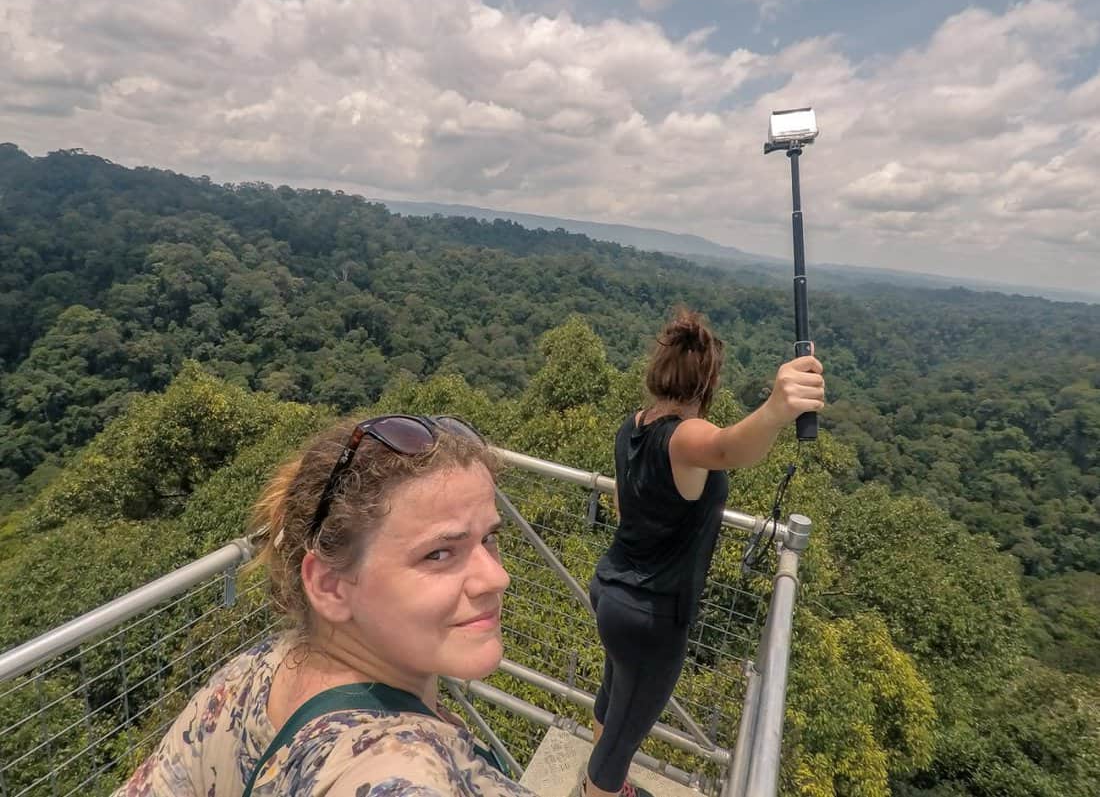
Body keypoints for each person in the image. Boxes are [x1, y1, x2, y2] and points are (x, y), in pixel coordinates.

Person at [114, 414, 537, 797]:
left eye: (489, 539)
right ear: (331, 587)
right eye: (439, 554)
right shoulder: (399, 774)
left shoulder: (250, 676)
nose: (497, 578)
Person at [582, 310, 826, 797]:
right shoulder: (684, 436)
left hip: (612, 591)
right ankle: (599, 789)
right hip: (653, 613)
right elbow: (726, 448)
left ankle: (608, 786)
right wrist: (777, 408)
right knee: (623, 737)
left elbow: (624, 502)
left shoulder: (633, 425)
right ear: (708, 381)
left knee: (612, 705)